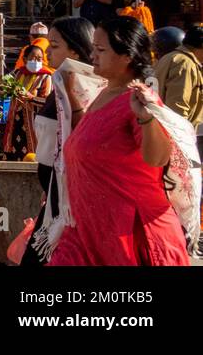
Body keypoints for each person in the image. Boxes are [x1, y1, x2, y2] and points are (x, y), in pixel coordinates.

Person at [48, 16, 199, 265]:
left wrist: (147, 120)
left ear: (126, 56)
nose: (92, 55)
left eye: (100, 49)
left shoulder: (140, 101)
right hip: (90, 229)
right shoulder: (103, 93)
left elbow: (158, 158)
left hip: (130, 235)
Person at [23, 16, 97, 266]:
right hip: (55, 193)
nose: (46, 53)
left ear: (75, 50)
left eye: (54, 47)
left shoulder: (87, 88)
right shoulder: (60, 82)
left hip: (70, 197)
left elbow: (84, 136)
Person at [3, 41, 54, 159]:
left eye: (39, 59)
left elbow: (48, 102)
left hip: (33, 124)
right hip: (15, 122)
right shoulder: (18, 73)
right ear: (25, 59)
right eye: (33, 58)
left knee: (31, 156)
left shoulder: (46, 77)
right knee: (13, 153)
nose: (36, 61)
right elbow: (6, 87)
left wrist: (31, 98)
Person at [153, 26, 203, 131]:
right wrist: (180, 136)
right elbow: (178, 105)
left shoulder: (170, 57)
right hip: (177, 132)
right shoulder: (184, 63)